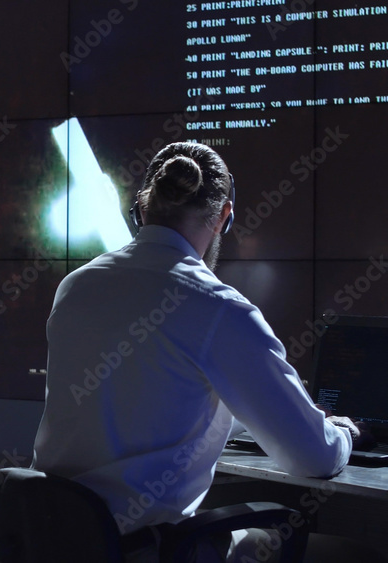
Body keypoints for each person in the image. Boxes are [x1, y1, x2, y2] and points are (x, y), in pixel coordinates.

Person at [31, 142, 369, 560]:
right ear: (224, 217)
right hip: (147, 549)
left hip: (57, 540)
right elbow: (314, 458)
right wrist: (343, 433)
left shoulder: (77, 286)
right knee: (352, 554)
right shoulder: (218, 306)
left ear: (140, 207)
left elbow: (141, 406)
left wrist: (256, 413)